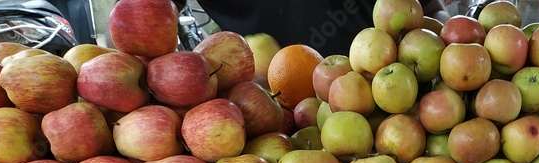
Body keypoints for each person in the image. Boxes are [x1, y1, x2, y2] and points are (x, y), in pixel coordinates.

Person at [192, 0, 451, 56]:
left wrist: (445, 45)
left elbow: (429, 9)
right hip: (255, 125)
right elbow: (154, 15)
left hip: (388, 110)